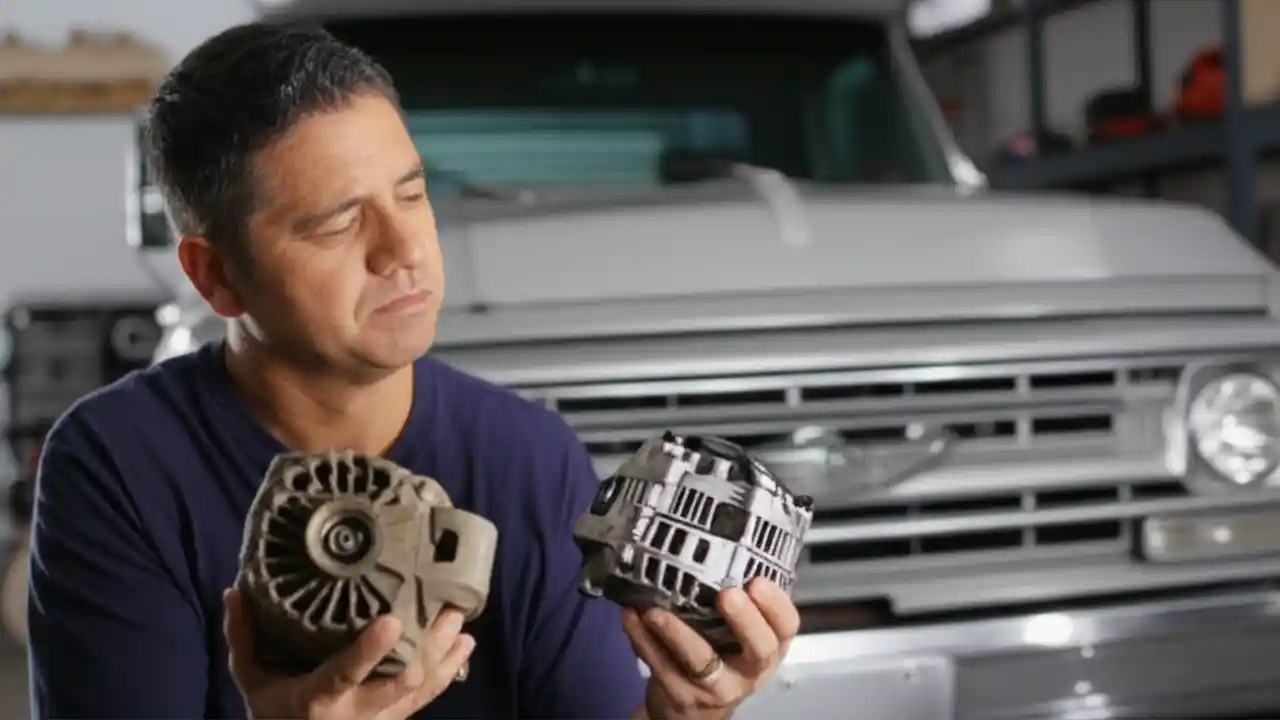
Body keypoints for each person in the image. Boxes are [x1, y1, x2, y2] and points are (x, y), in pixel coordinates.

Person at [25, 19, 799, 720]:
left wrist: (682, 714)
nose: (405, 251)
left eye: (414, 193)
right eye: (337, 223)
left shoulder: (527, 456)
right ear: (216, 276)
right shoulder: (117, 464)